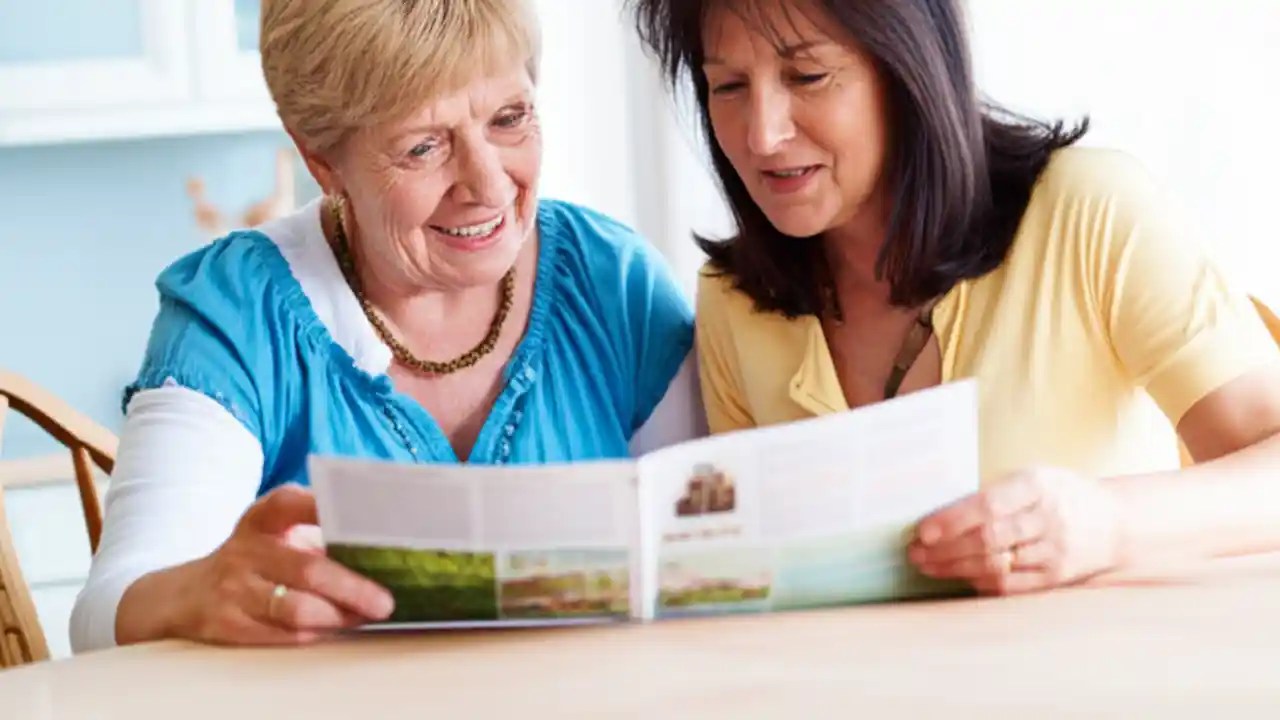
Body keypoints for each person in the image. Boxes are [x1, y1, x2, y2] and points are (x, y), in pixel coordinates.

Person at [70, 0, 702, 652]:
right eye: (423, 147)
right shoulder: (237, 313)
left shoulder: (614, 285)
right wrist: (199, 594)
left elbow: (707, 562)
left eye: (509, 118)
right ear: (320, 161)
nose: (487, 184)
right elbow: (106, 614)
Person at [630, 0, 1280, 597]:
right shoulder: (731, 300)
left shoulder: (1091, 212)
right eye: (729, 87)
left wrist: (1106, 523)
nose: (761, 135)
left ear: (907, 71)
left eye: (807, 77)